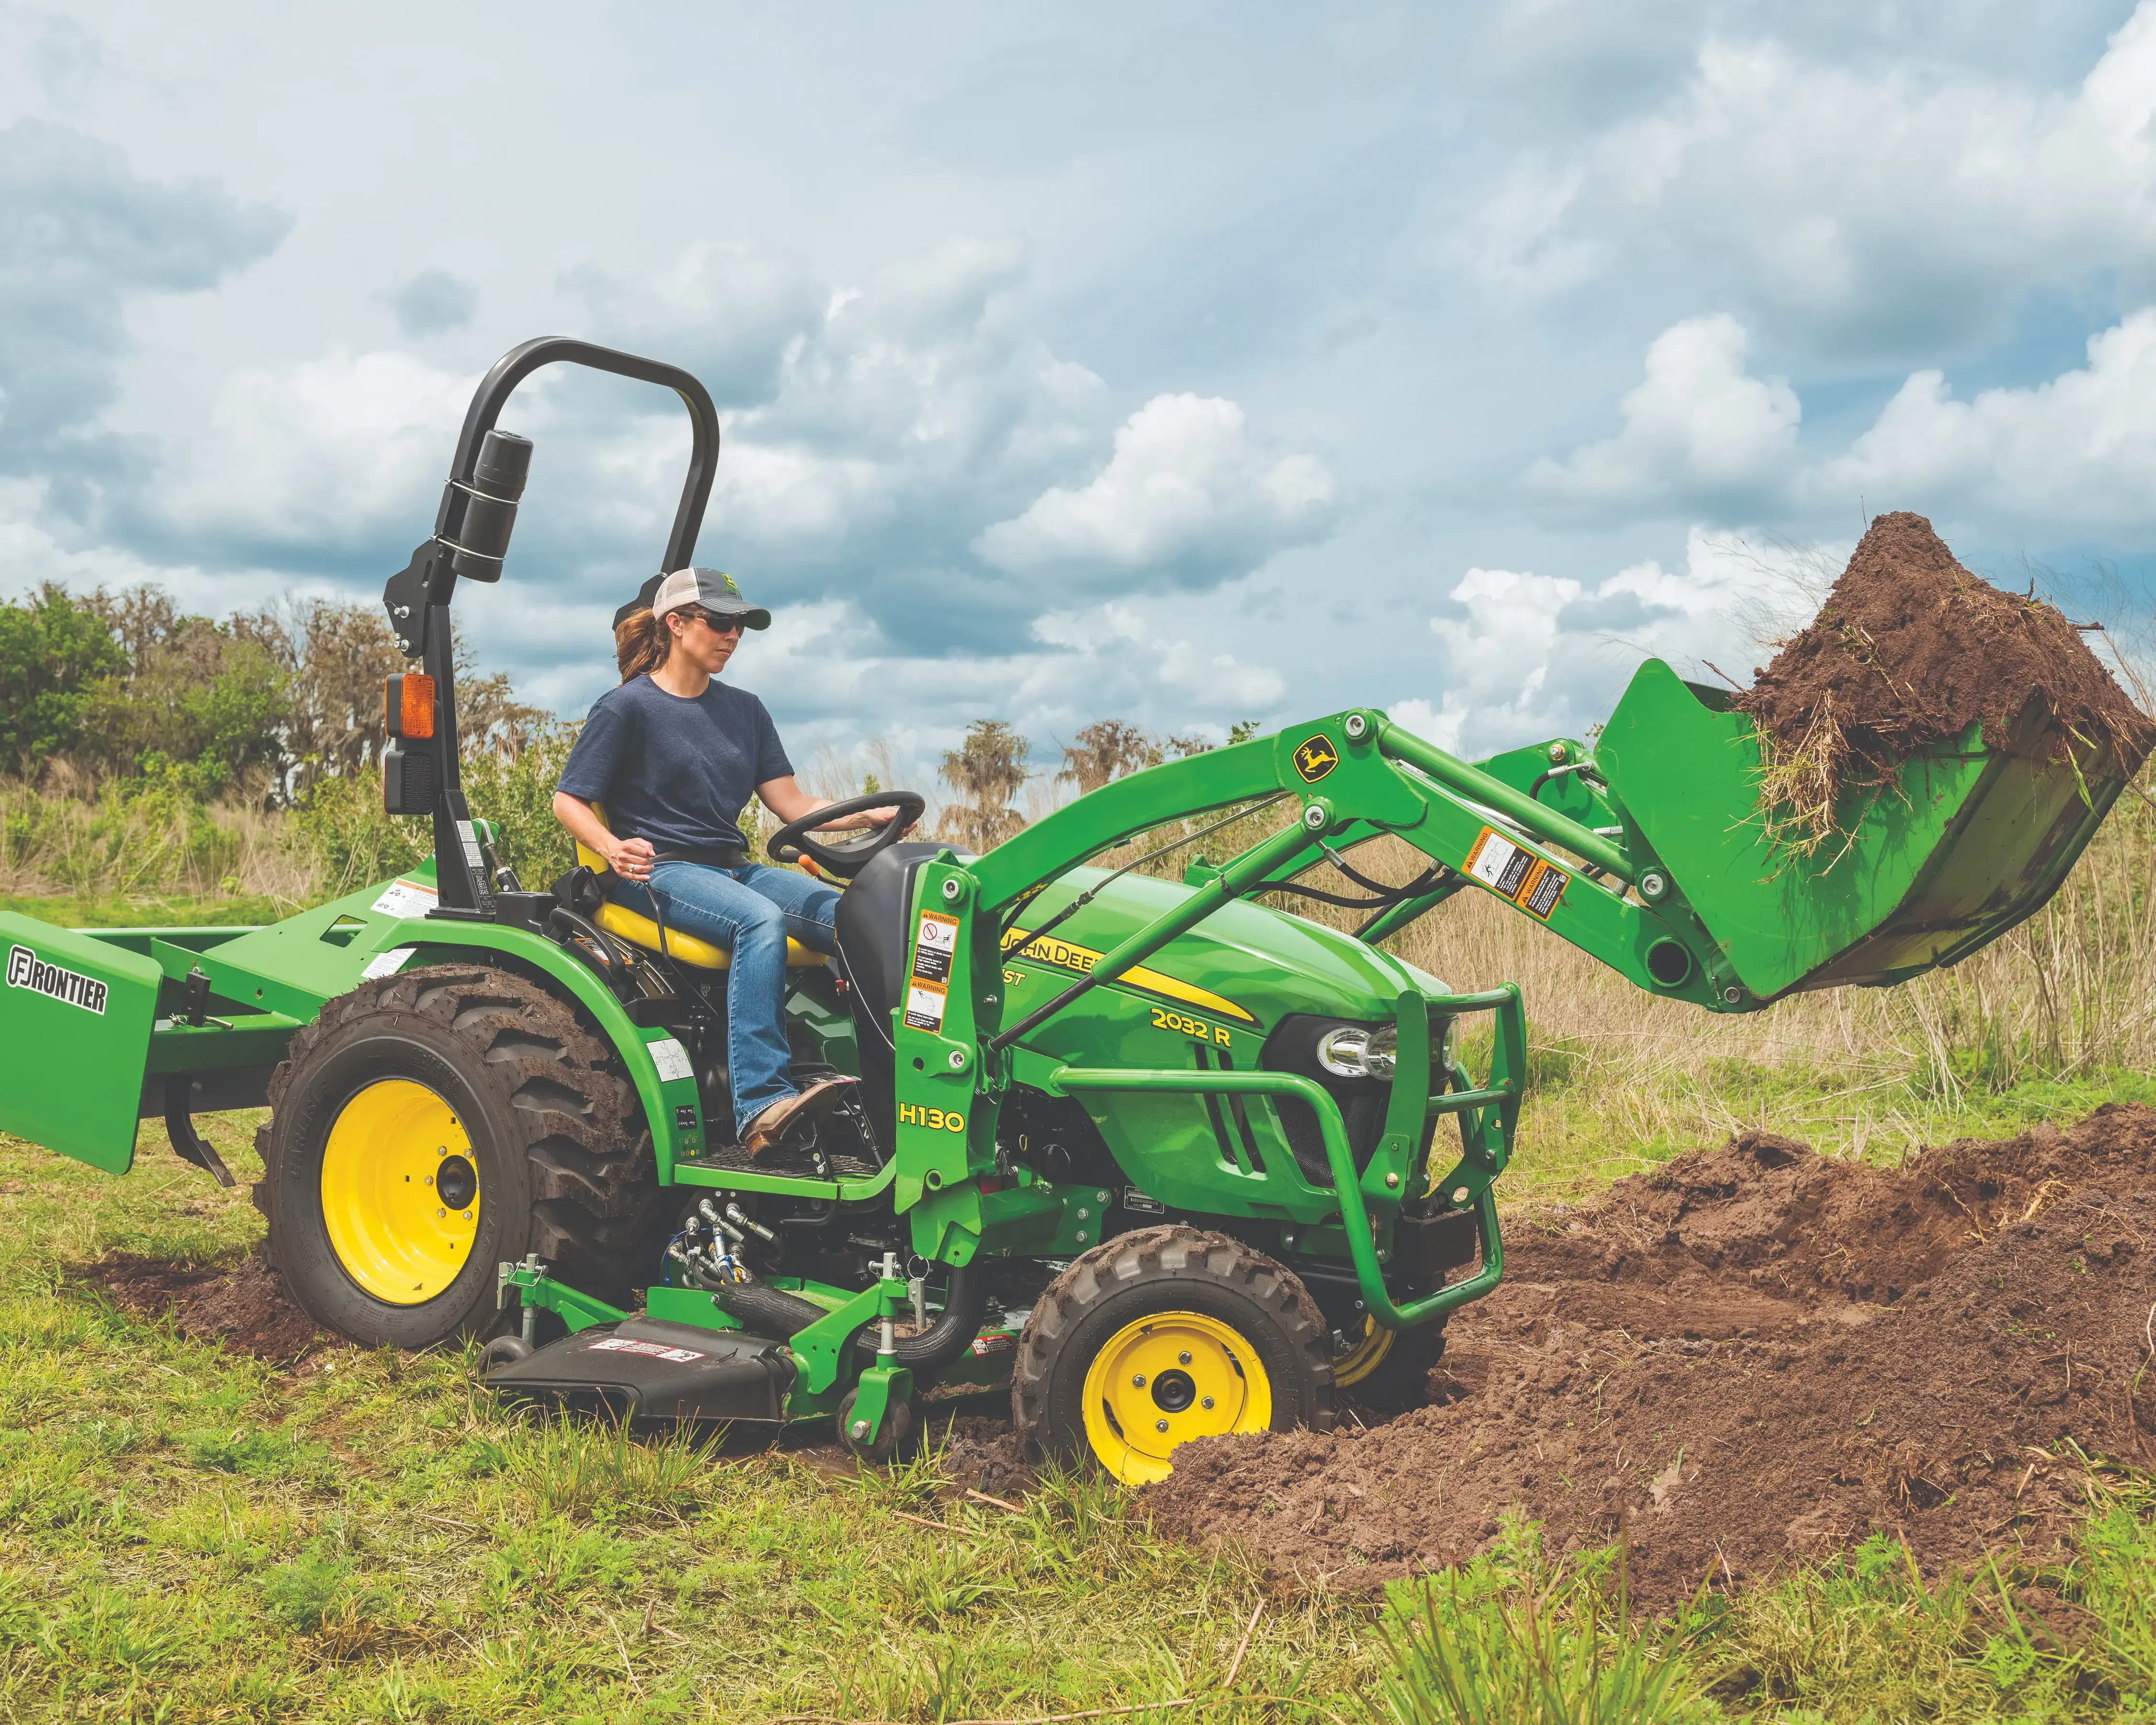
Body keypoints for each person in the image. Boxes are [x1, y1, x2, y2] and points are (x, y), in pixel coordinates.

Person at [552, 567, 882, 1153]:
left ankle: (890, 1081)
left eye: (741, 626)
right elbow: (569, 799)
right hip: (659, 871)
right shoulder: (625, 708)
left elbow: (792, 804)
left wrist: (865, 815)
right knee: (760, 921)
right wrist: (610, 847)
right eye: (721, 622)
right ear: (676, 624)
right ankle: (762, 1105)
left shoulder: (746, 711)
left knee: (853, 914)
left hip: (733, 866)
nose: (733, 635)